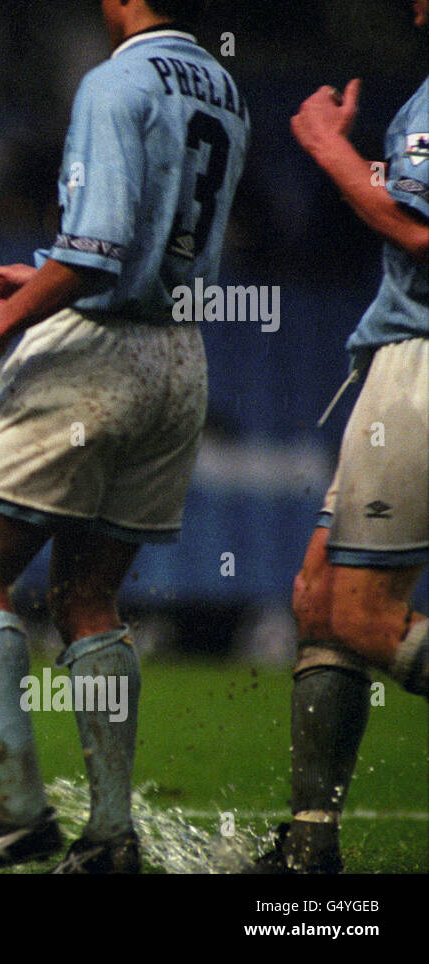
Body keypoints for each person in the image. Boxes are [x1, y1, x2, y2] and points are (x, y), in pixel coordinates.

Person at [0, 0, 248, 873]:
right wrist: (44, 272)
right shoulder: (223, 88)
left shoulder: (115, 82)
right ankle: (110, 835)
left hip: (94, 357)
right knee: (87, 602)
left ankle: (21, 812)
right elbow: (154, 244)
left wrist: (5, 324)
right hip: (178, 360)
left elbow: (98, 255)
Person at [254, 0, 428, 874]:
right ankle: (310, 846)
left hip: (423, 361)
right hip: (400, 359)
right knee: (319, 596)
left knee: (358, 614)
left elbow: (422, 231)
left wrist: (326, 149)